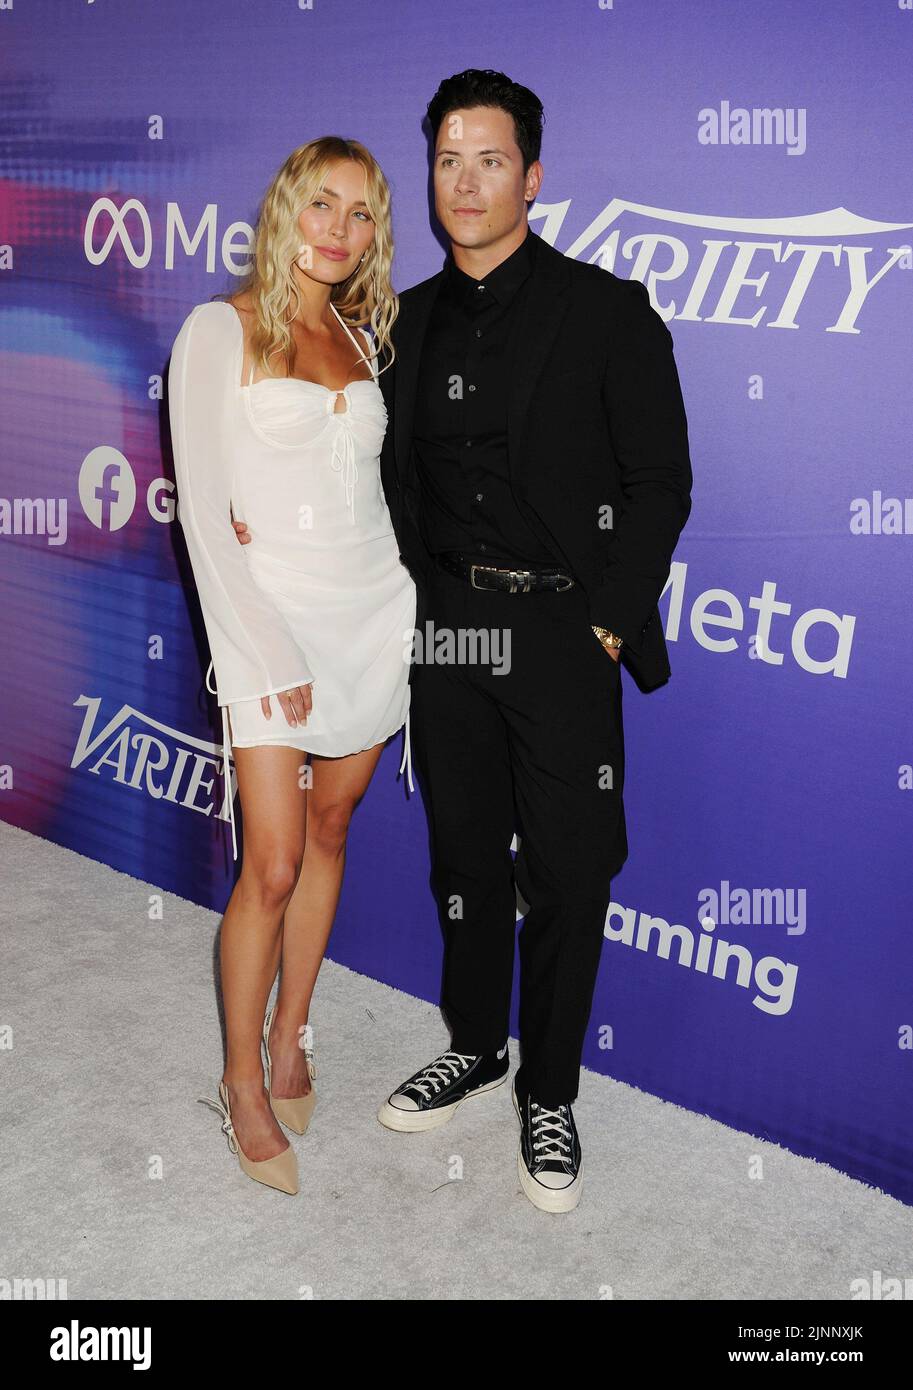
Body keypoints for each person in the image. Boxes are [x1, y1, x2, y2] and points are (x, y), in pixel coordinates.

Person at [371, 70, 693, 1213]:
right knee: (464, 857)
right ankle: (475, 1041)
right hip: (448, 626)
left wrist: (607, 610)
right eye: (448, 160)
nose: (466, 181)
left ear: (533, 176)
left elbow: (659, 480)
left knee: (566, 868)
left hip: (560, 626)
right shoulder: (399, 320)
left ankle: (548, 1089)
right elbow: (391, 482)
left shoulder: (606, 310)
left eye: (490, 160)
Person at [168, 138, 416, 1195]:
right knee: (268, 863)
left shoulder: (361, 337)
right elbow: (207, 524)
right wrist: (264, 648)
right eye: (322, 203)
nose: (339, 229)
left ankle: (289, 1035)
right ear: (284, 208)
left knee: (328, 828)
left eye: (360, 215)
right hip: (267, 624)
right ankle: (239, 1077)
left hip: (371, 614)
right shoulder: (217, 329)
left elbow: (370, 503)